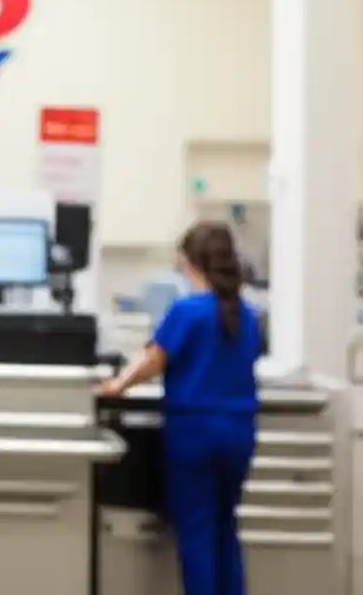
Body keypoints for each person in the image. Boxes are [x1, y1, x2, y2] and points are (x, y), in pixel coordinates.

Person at [99, 221, 261, 595]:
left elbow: (153, 360)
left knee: (197, 534)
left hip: (195, 435)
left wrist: (117, 384)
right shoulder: (247, 314)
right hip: (238, 433)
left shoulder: (188, 310)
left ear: (190, 264)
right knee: (225, 531)